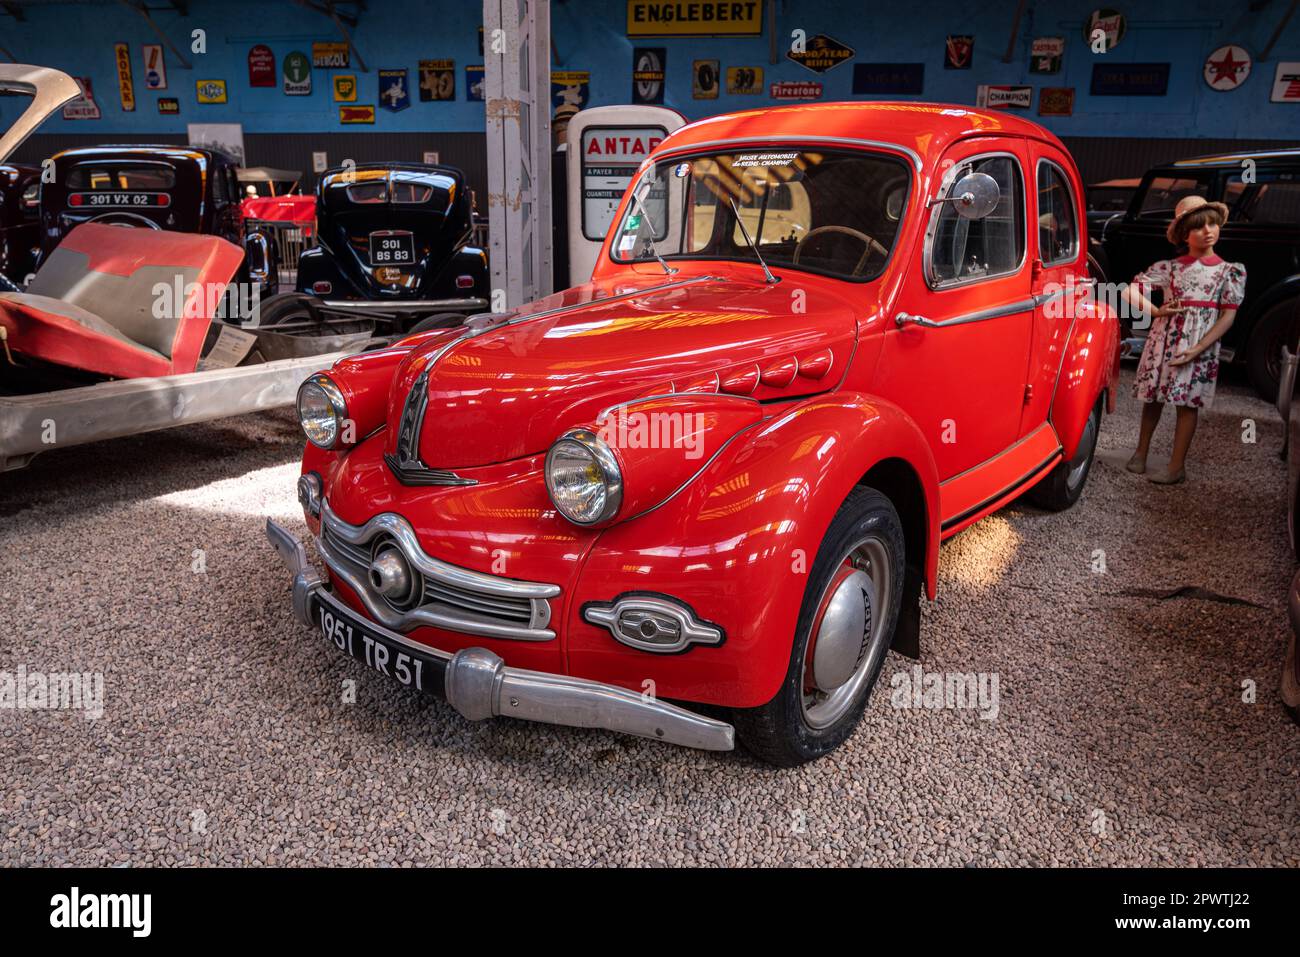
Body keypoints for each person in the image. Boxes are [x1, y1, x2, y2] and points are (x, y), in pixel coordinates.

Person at [1121, 195, 1246, 484]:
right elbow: (1130, 291)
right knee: (1153, 398)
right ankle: (1141, 453)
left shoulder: (1230, 271)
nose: (1208, 231)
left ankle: (1176, 465)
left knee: (1187, 403)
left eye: (1213, 224)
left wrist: (1199, 348)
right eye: (1199, 226)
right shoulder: (1171, 268)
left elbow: (1228, 316)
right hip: (1164, 340)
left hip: (1199, 344)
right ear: (1184, 233)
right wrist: (1155, 310)